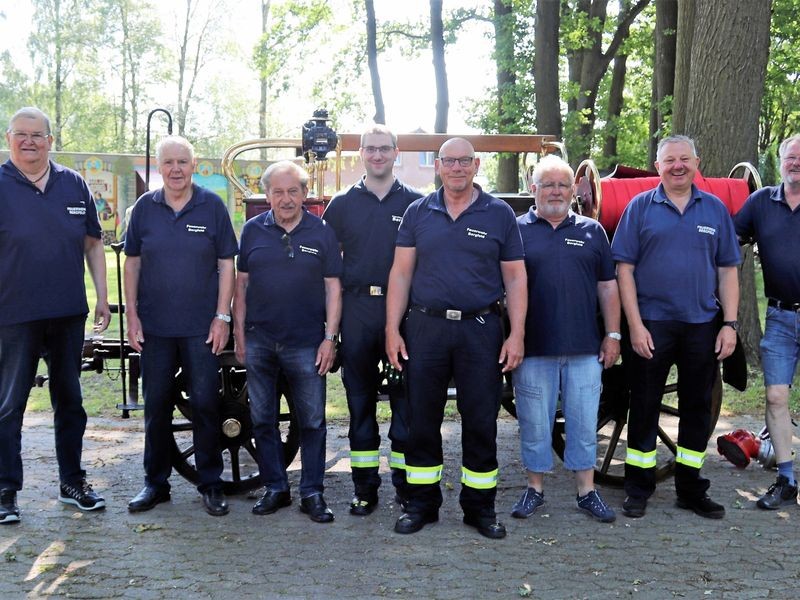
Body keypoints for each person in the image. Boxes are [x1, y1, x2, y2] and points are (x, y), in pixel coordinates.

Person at [385, 137, 527, 539]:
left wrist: (516, 333)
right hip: (425, 329)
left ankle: (479, 509)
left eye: (465, 161)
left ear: (476, 165)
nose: (457, 168)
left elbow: (515, 277)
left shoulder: (499, 214)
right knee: (420, 420)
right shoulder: (418, 212)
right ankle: (421, 504)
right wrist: (392, 329)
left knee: (481, 420)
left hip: (480, 329)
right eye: (449, 161)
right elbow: (400, 273)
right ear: (439, 166)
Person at [611, 135, 741, 519]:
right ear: (658, 166)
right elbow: (624, 271)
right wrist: (634, 325)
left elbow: (728, 271)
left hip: (702, 323)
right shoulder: (639, 208)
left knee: (697, 408)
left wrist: (730, 324)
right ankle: (638, 487)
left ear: (696, 163)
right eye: (670, 160)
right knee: (644, 405)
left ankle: (690, 487)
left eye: (684, 159)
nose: (678, 166)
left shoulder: (715, 210)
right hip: (652, 325)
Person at [0, 107, 111, 525]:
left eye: (37, 135)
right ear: (10, 138)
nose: (29, 141)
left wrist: (102, 296)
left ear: (51, 140)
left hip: (67, 313)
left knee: (71, 402)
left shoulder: (73, 184)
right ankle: (5, 491)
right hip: (13, 315)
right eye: (21, 134)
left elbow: (93, 245)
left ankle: (73, 483)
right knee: (10, 405)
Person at [124, 135, 237, 517]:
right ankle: (155, 484)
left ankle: (210, 483)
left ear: (194, 166)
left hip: (201, 328)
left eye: (182, 163)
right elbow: (132, 262)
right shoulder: (144, 208)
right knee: (156, 406)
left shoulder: (212, 207)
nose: (175, 170)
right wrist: (132, 315)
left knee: (206, 404)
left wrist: (223, 316)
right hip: (155, 327)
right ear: (160, 167)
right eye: (168, 163)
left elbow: (227, 265)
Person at [511, 155, 620, 523]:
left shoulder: (593, 231)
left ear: (574, 190)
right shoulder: (516, 231)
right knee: (534, 423)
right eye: (547, 185)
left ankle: (586, 492)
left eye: (562, 185)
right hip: (533, 348)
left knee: (583, 423)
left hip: (584, 348)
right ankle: (534, 490)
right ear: (533, 189)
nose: (555, 191)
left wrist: (613, 334)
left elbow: (608, 287)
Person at [234, 160, 342, 524]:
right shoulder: (251, 231)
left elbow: (333, 288)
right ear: (267, 196)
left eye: (292, 191)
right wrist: (239, 333)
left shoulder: (322, 232)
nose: (285, 199)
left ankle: (312, 493)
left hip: (307, 343)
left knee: (312, 422)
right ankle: (276, 487)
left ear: (304, 194)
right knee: (263, 420)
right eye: (277, 192)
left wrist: (330, 338)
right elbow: (241, 284)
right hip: (260, 341)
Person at [322, 125, 422, 516]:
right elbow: (327, 268)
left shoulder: (417, 203)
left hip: (404, 314)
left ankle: (404, 487)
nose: (377, 155)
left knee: (405, 406)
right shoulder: (342, 204)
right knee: (360, 403)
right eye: (371, 149)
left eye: (385, 149)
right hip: (358, 309)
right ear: (360, 154)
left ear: (396, 152)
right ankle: (364, 489)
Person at [734, 134, 800, 509]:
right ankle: (786, 480)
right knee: (776, 396)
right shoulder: (760, 203)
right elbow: (728, 241)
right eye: (790, 158)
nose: (796, 164)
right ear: (779, 162)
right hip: (779, 317)